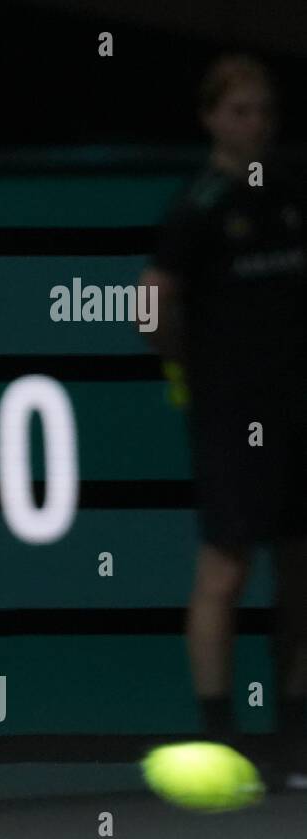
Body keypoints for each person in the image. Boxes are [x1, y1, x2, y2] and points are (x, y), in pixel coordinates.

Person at [140, 54, 307, 786]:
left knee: (301, 568)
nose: (256, 124)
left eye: (264, 111)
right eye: (240, 111)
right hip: (233, 413)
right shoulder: (197, 205)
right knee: (227, 567)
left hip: (299, 410)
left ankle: (296, 735)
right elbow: (152, 303)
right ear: (211, 118)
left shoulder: (296, 190)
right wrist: (186, 367)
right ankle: (220, 734)